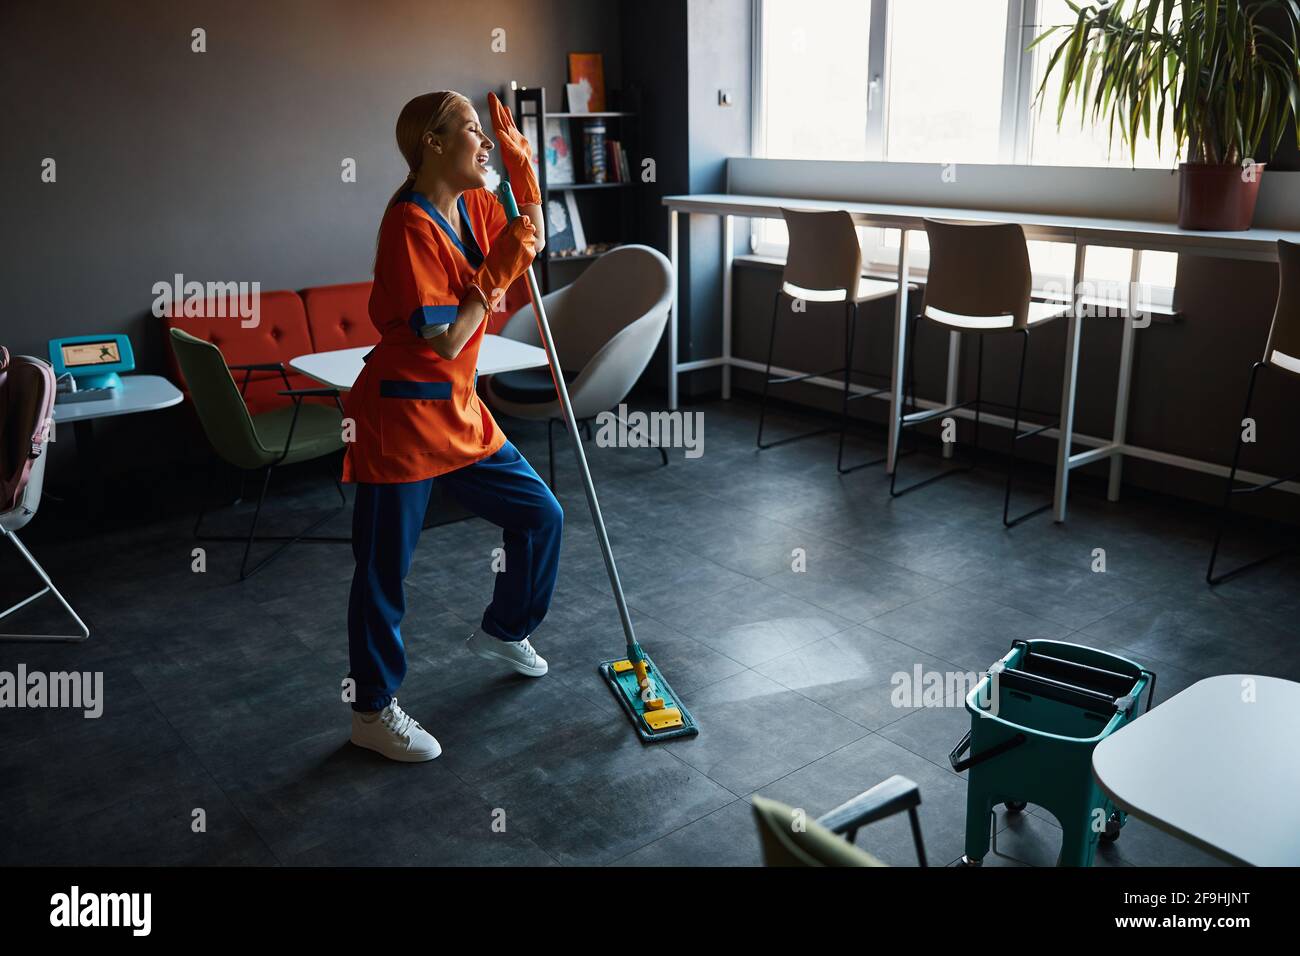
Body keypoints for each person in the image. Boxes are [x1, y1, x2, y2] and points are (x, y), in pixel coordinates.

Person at [342, 90, 561, 762]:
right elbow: (445, 337)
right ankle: (372, 712)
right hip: (402, 418)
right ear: (432, 144)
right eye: (472, 130)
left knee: (541, 515)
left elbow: (529, 232)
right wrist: (499, 267)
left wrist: (524, 173)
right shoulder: (408, 226)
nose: (485, 142)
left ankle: (506, 624)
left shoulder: (469, 206)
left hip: (459, 412)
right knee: (384, 572)